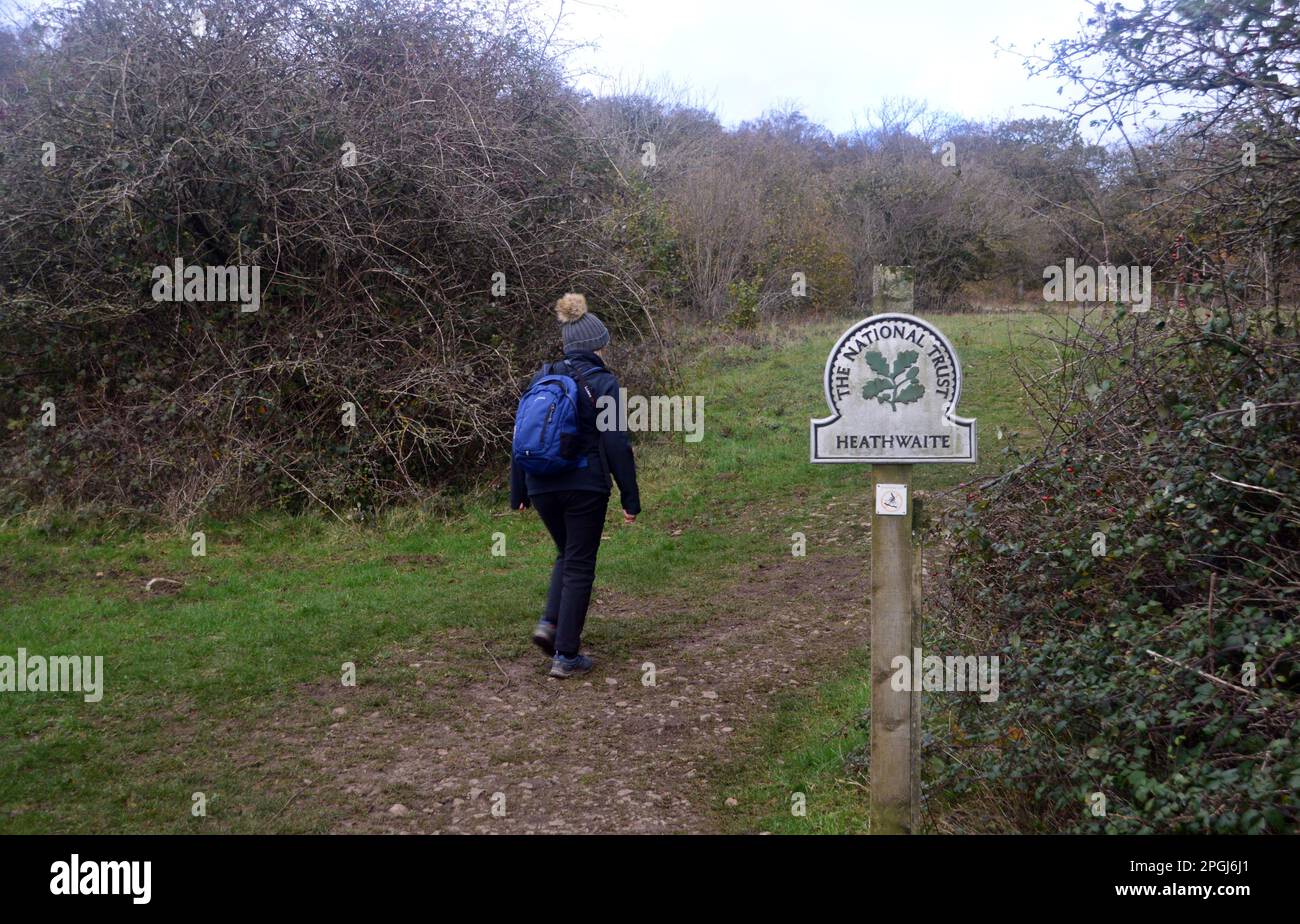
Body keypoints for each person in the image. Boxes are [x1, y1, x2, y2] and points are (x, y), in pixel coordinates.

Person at [509, 293, 641, 678]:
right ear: (597, 346)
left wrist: (518, 491)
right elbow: (617, 442)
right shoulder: (604, 381)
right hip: (584, 485)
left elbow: (520, 433)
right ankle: (566, 655)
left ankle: (549, 625)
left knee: (567, 553)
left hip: (539, 483)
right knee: (580, 564)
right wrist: (630, 498)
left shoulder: (542, 376)